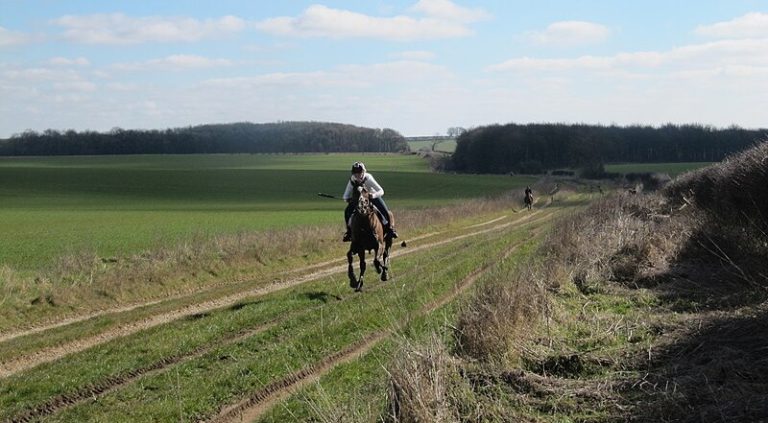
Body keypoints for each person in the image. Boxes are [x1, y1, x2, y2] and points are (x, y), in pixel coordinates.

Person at [342, 162, 398, 242]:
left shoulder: (368, 178)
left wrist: (373, 195)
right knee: (347, 211)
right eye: (355, 173)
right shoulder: (352, 180)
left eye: (359, 173)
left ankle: (390, 230)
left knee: (385, 211)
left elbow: (381, 191)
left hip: (372, 197)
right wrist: (348, 199)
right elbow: (345, 195)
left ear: (363, 172)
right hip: (359, 199)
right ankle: (349, 232)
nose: (357, 175)